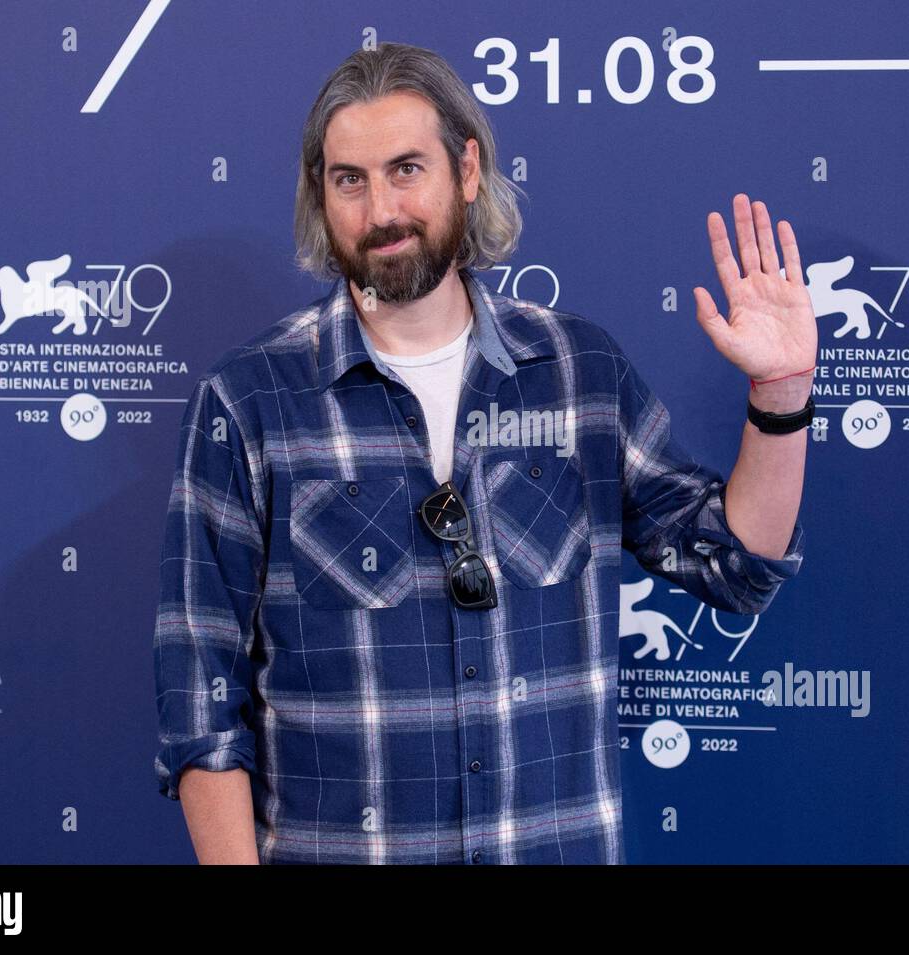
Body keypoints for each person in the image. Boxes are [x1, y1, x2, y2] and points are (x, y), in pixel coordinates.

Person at [152, 41, 814, 865]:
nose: (379, 210)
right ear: (320, 197)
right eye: (347, 180)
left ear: (467, 170)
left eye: (406, 169)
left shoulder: (580, 374)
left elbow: (737, 566)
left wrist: (782, 393)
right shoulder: (249, 401)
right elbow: (200, 697)